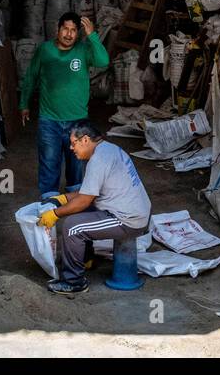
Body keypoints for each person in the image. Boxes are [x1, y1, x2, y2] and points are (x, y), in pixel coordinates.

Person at [38, 123, 152, 296]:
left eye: (73, 143)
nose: (71, 148)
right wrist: (61, 199)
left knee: (72, 227)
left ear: (85, 140)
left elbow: (84, 200)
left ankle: (74, 282)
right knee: (77, 213)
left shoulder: (99, 159)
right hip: (136, 210)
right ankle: (85, 258)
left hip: (128, 219)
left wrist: (55, 214)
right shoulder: (109, 149)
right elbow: (89, 191)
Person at [19, 11, 110, 198]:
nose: (69, 34)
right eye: (65, 29)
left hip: (77, 121)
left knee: (76, 163)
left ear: (78, 33)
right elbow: (31, 77)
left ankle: (74, 197)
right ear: (57, 30)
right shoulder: (45, 50)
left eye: (74, 31)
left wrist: (92, 35)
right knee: (49, 161)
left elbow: (103, 61)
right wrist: (24, 104)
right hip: (49, 120)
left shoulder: (84, 50)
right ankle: (49, 198)